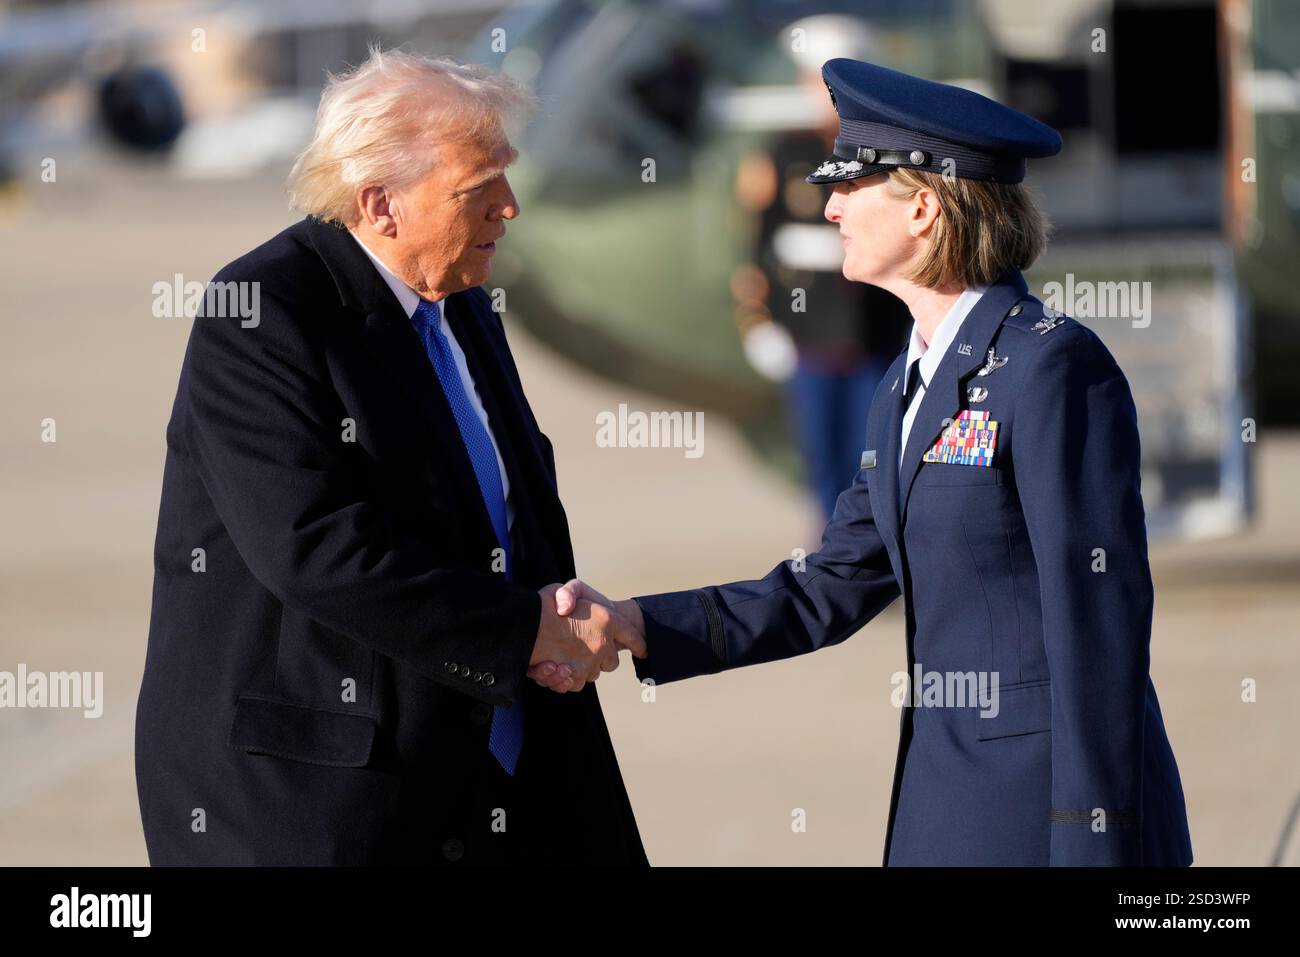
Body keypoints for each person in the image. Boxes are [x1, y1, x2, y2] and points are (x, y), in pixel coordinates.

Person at [531, 58, 1195, 867]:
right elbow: (829, 584)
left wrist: (1097, 846)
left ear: (922, 206)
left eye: (852, 186)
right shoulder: (905, 381)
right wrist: (636, 624)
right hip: (943, 801)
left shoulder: (1052, 368)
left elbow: (1099, 627)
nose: (831, 204)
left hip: (1042, 809)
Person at [135, 47, 646, 866]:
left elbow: (512, 508)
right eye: (480, 190)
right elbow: (316, 550)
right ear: (381, 205)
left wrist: (557, 637)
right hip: (326, 799)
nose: (509, 209)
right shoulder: (264, 315)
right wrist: (528, 632)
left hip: (500, 772)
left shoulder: (461, 300)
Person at [732, 15, 911, 522]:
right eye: (814, 82)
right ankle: (834, 562)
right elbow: (756, 250)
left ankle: (881, 558)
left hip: (877, 331)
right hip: (807, 330)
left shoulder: (889, 155)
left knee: (876, 455)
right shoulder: (783, 155)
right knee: (821, 460)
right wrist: (758, 321)